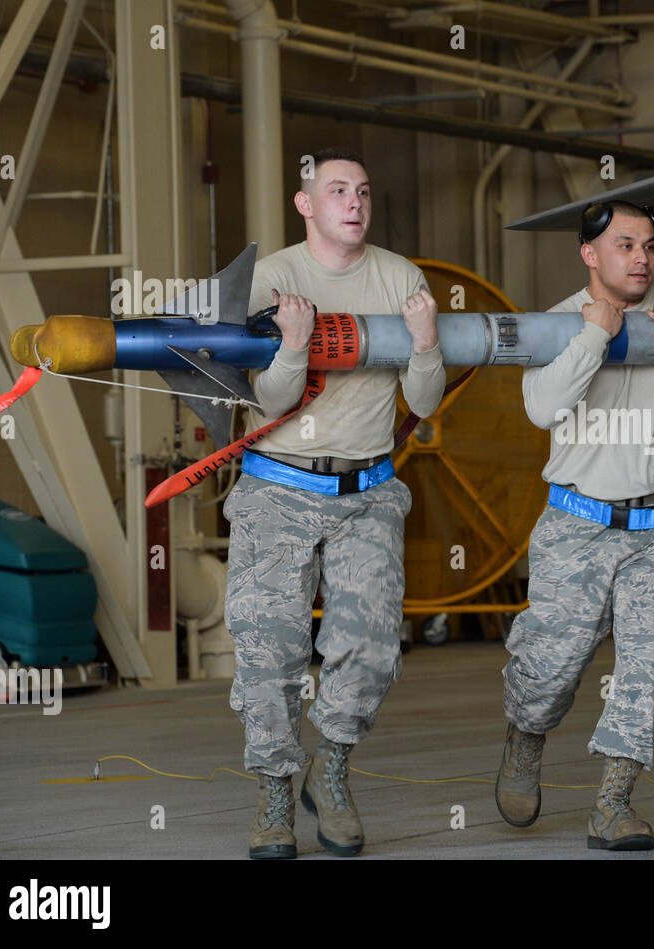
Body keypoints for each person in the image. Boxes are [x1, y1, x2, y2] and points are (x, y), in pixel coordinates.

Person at [496, 200, 654, 851]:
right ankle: (526, 731)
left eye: (649, 245)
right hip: (577, 519)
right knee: (551, 668)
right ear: (590, 253)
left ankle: (614, 803)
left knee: (645, 668)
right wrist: (593, 335)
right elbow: (543, 409)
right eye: (626, 244)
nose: (642, 257)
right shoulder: (555, 321)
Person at [223, 147, 445, 859]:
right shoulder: (273, 277)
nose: (355, 201)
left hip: (366, 488)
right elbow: (269, 400)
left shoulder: (398, 277)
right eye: (338, 190)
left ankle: (337, 773)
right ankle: (273, 796)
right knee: (269, 648)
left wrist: (426, 344)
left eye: (364, 190)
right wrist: (291, 344)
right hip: (277, 485)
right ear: (306, 204)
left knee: (371, 647)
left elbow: (425, 402)